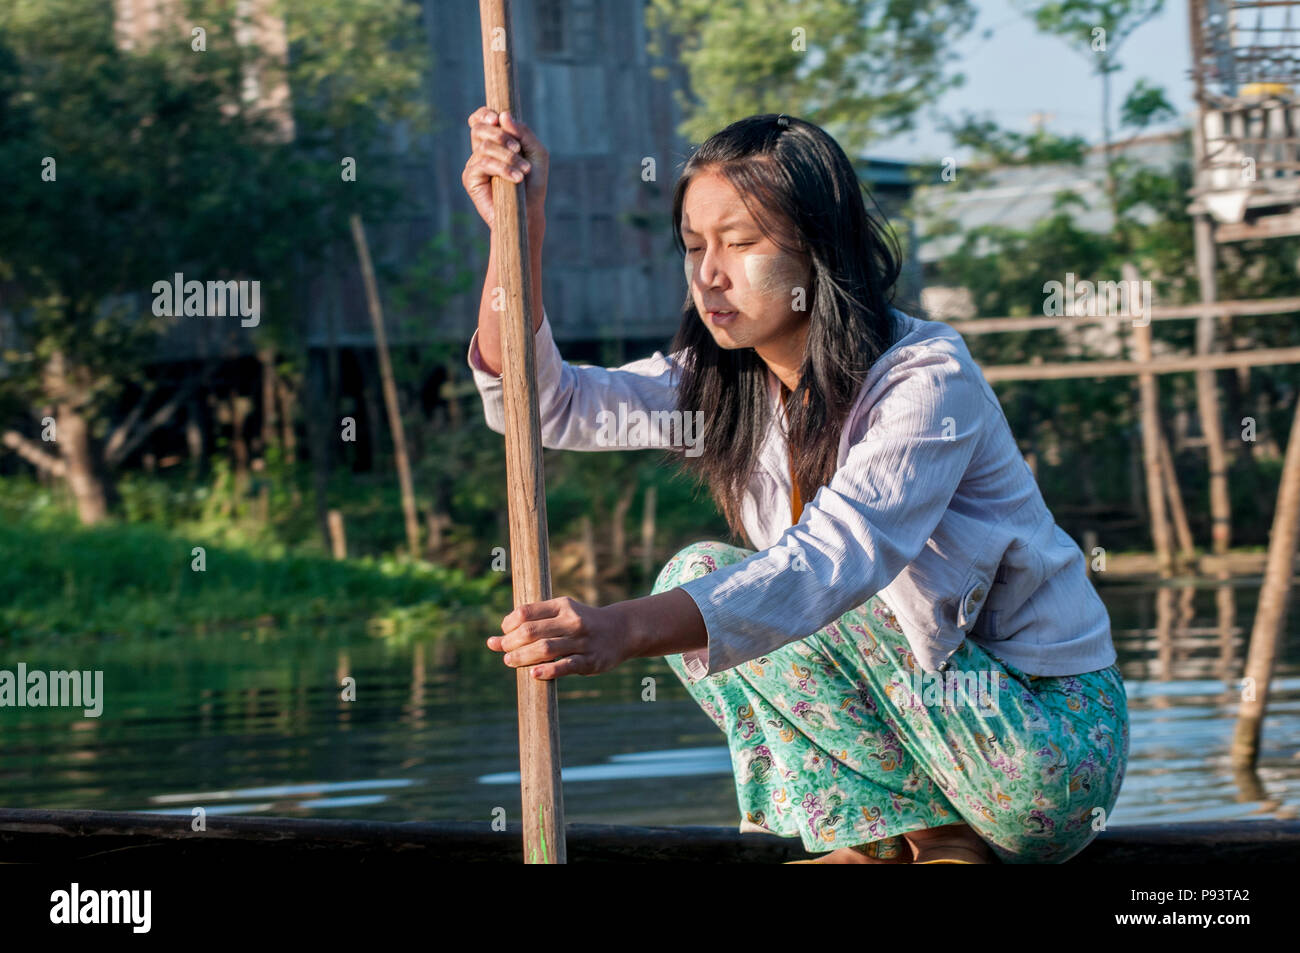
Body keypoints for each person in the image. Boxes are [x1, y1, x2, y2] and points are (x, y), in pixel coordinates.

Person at [460, 107, 1129, 864]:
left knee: (754, 584)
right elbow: (542, 404)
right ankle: (874, 833)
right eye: (692, 247)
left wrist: (621, 628)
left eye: (740, 243)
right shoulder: (723, 387)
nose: (708, 274)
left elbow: (832, 561)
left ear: (819, 250)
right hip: (942, 746)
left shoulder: (926, 379)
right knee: (702, 576)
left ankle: (928, 837)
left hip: (1044, 746)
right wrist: (519, 229)